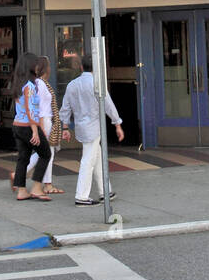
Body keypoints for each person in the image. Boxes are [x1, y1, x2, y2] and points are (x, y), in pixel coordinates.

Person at [60, 53, 124, 205]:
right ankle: (82, 196)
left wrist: (65, 127)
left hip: (81, 127)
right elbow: (108, 105)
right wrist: (117, 123)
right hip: (94, 126)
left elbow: (65, 108)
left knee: (97, 157)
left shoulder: (72, 85)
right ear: (95, 68)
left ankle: (105, 191)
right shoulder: (97, 83)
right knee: (88, 161)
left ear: (81, 67)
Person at [9, 52, 51, 202]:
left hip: (17, 126)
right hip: (28, 126)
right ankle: (37, 187)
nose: (38, 66)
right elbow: (30, 109)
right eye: (35, 63)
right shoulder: (30, 86)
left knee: (23, 158)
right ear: (31, 66)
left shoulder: (18, 84)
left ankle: (21, 190)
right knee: (46, 153)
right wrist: (36, 130)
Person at [27, 55, 63, 195]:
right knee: (47, 153)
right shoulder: (40, 84)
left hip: (47, 121)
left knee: (46, 153)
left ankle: (46, 183)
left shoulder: (40, 83)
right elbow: (40, 108)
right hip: (45, 121)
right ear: (45, 68)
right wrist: (41, 128)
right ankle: (46, 184)